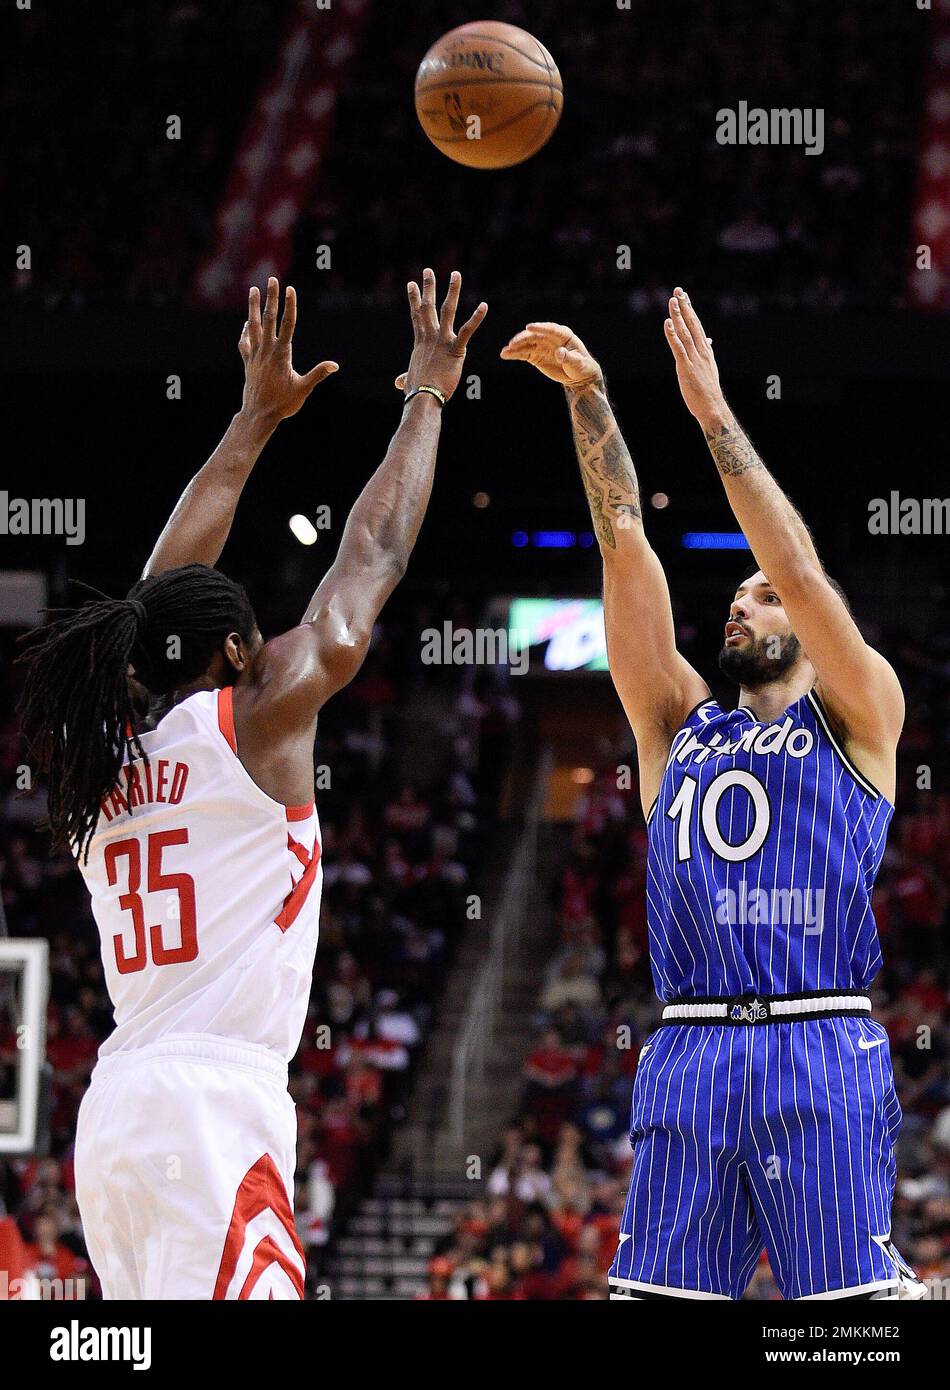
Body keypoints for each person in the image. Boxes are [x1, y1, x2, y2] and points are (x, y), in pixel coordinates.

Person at [17, 270, 486, 1299]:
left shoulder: (101, 755)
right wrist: (426, 394)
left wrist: (249, 425)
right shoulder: (254, 722)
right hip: (211, 1111)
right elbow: (369, 553)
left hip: (117, 1115)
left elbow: (144, 602)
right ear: (237, 650)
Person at [501, 288, 924, 1301]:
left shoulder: (859, 710)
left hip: (816, 1041)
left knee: (843, 1320)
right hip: (687, 1044)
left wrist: (709, 413)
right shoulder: (673, 724)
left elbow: (797, 563)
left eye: (759, 594)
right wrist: (591, 397)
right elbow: (622, 550)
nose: (741, 600)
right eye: (732, 596)